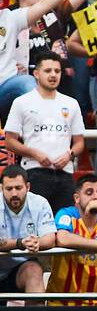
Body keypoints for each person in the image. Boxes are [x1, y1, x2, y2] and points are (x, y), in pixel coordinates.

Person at [4, 49, 83, 213]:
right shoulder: (22, 102)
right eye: (48, 71)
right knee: (35, 225)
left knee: (63, 227)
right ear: (36, 74)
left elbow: (80, 142)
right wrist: (35, 153)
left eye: (57, 71)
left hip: (65, 172)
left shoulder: (71, 103)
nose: (53, 75)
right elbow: (9, 140)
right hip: (34, 171)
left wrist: (69, 155)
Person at [49, 172, 97, 305]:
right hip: (63, 304)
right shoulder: (66, 214)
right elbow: (62, 239)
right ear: (77, 198)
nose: (96, 197)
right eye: (89, 193)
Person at [0, 164, 55, 298]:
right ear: (1, 188)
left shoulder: (40, 203)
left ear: (28, 187)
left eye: (18, 188)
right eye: (9, 189)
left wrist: (38, 242)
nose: (14, 193)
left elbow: (50, 238)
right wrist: (20, 243)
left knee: (33, 270)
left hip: (20, 270)